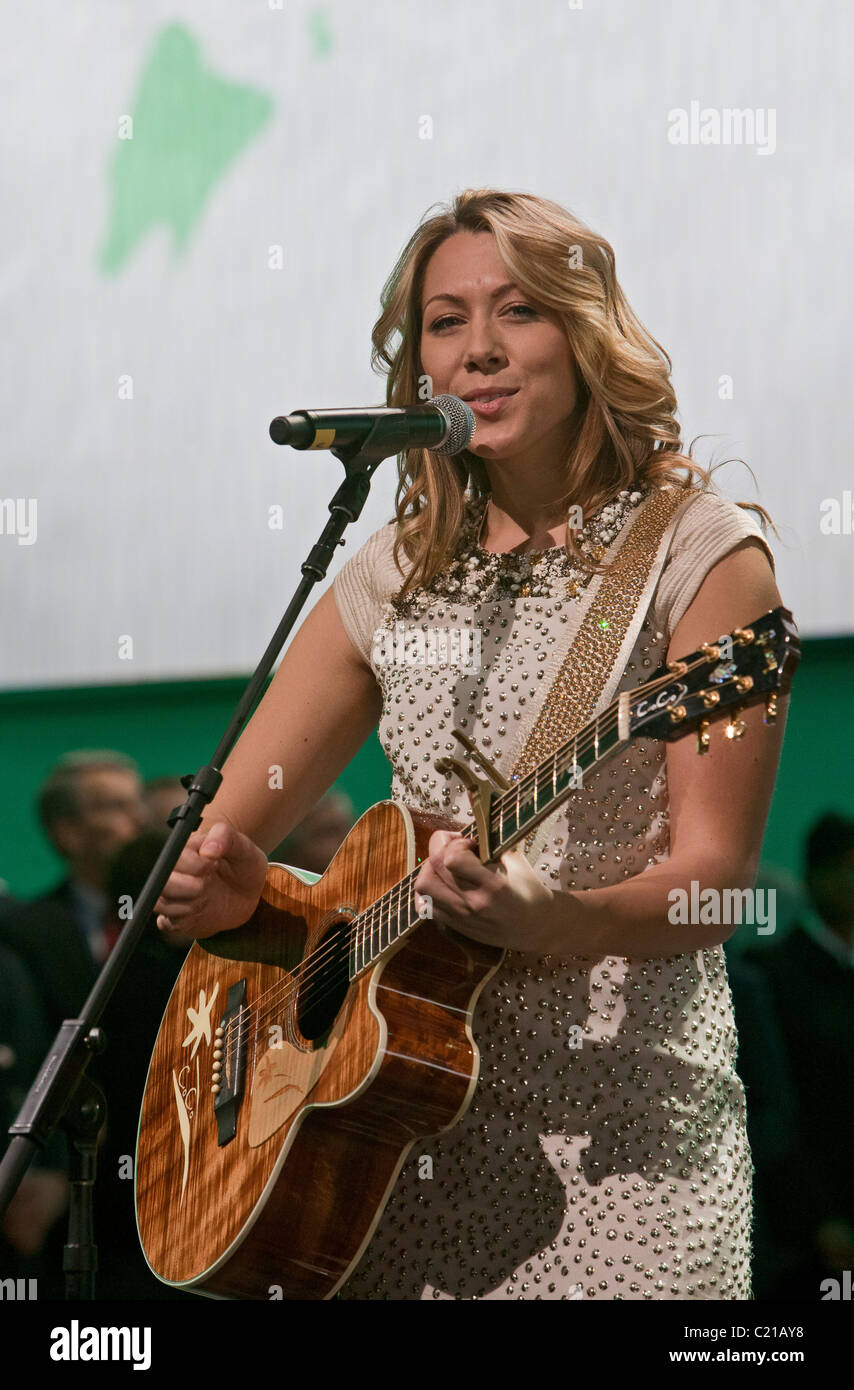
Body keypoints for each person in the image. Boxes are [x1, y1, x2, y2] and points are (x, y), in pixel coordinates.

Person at [155, 189, 790, 1300]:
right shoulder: (390, 573)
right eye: (445, 322)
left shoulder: (693, 552)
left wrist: (562, 917)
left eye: (520, 312)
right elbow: (225, 839)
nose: (480, 350)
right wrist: (230, 899)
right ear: (415, 371)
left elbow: (715, 884)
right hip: (382, 1135)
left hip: (623, 1137)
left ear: (586, 337)